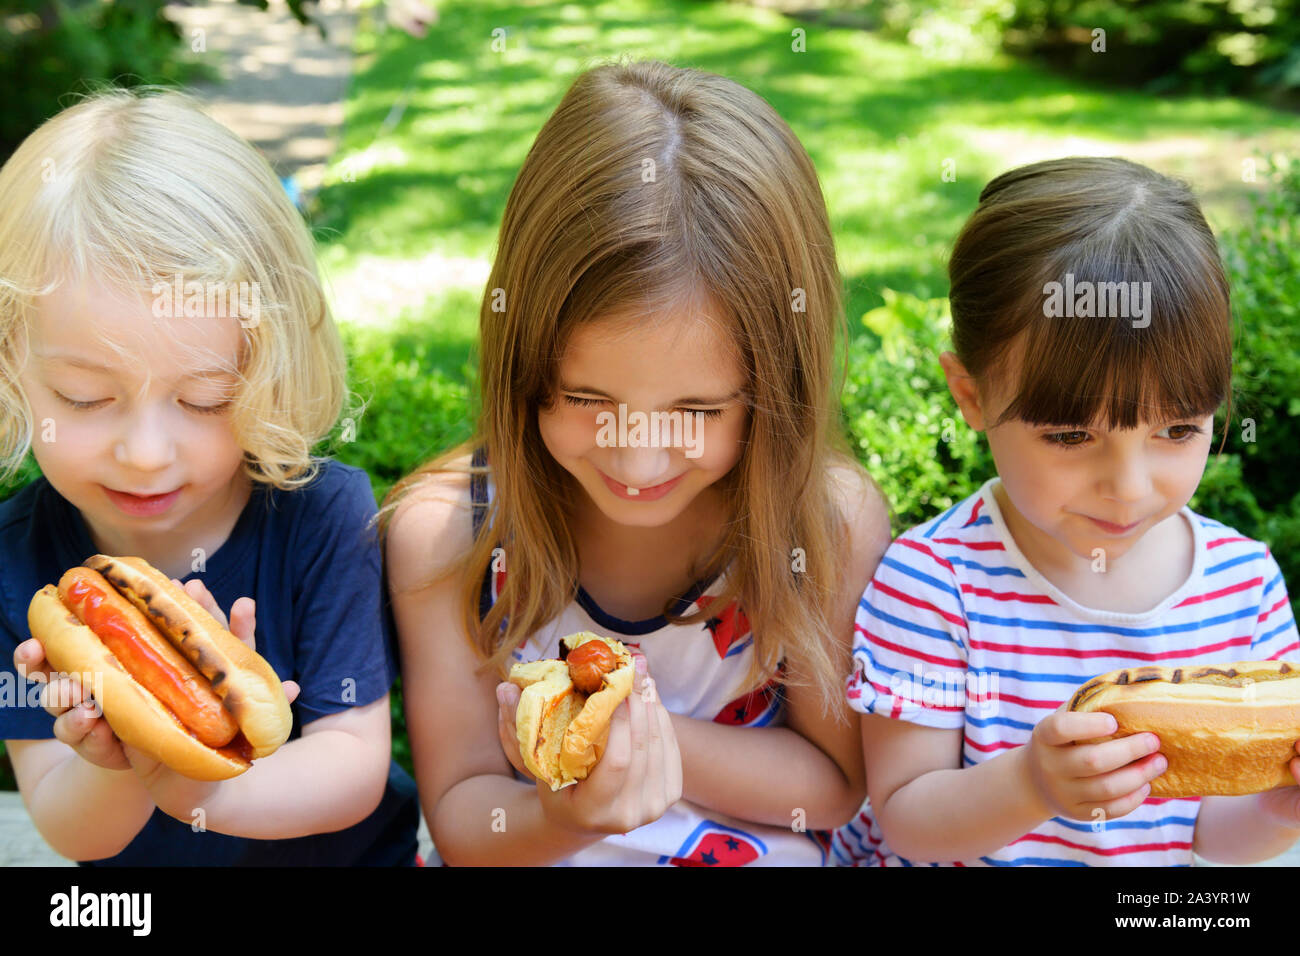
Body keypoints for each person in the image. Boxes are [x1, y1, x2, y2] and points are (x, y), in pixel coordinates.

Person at [381, 59, 892, 866]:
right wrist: (567, 817)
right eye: (587, 398)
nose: (639, 457)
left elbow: (828, 784)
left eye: (695, 412)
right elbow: (461, 812)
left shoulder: (824, 522)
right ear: (525, 363)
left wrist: (616, 735)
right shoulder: (451, 535)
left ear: (774, 386)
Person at [835, 156, 1300, 866]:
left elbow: (1208, 833)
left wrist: (1279, 809)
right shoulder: (935, 583)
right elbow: (907, 819)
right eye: (1071, 436)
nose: (1130, 486)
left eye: (1177, 431)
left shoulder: (1244, 585)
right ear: (972, 396)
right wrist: (1030, 784)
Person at [0, 88, 419, 865]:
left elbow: (353, 763)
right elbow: (64, 821)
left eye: (204, 399)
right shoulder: (14, 559)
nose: (148, 453)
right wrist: (126, 759)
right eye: (85, 399)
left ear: (266, 370)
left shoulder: (323, 516)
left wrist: (205, 787)